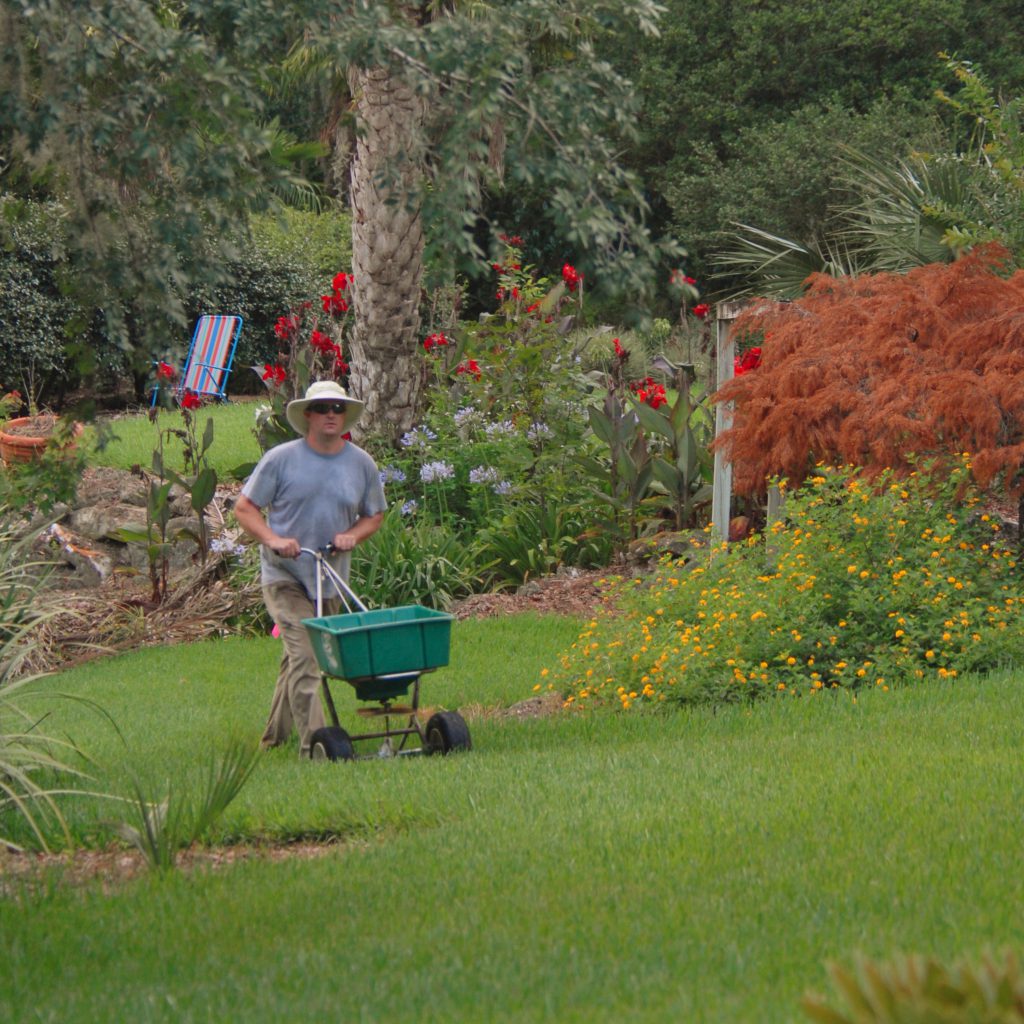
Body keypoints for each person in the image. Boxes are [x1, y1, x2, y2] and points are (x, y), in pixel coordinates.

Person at [234, 380, 386, 755]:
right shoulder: (281, 459)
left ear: (345, 415)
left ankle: (272, 739)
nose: (331, 414)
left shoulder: (361, 463)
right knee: (306, 658)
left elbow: (375, 515)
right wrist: (272, 540)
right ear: (308, 416)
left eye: (337, 408)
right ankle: (317, 747)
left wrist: (354, 535)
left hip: (329, 578)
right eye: (323, 408)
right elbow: (244, 508)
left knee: (297, 658)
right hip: (284, 577)